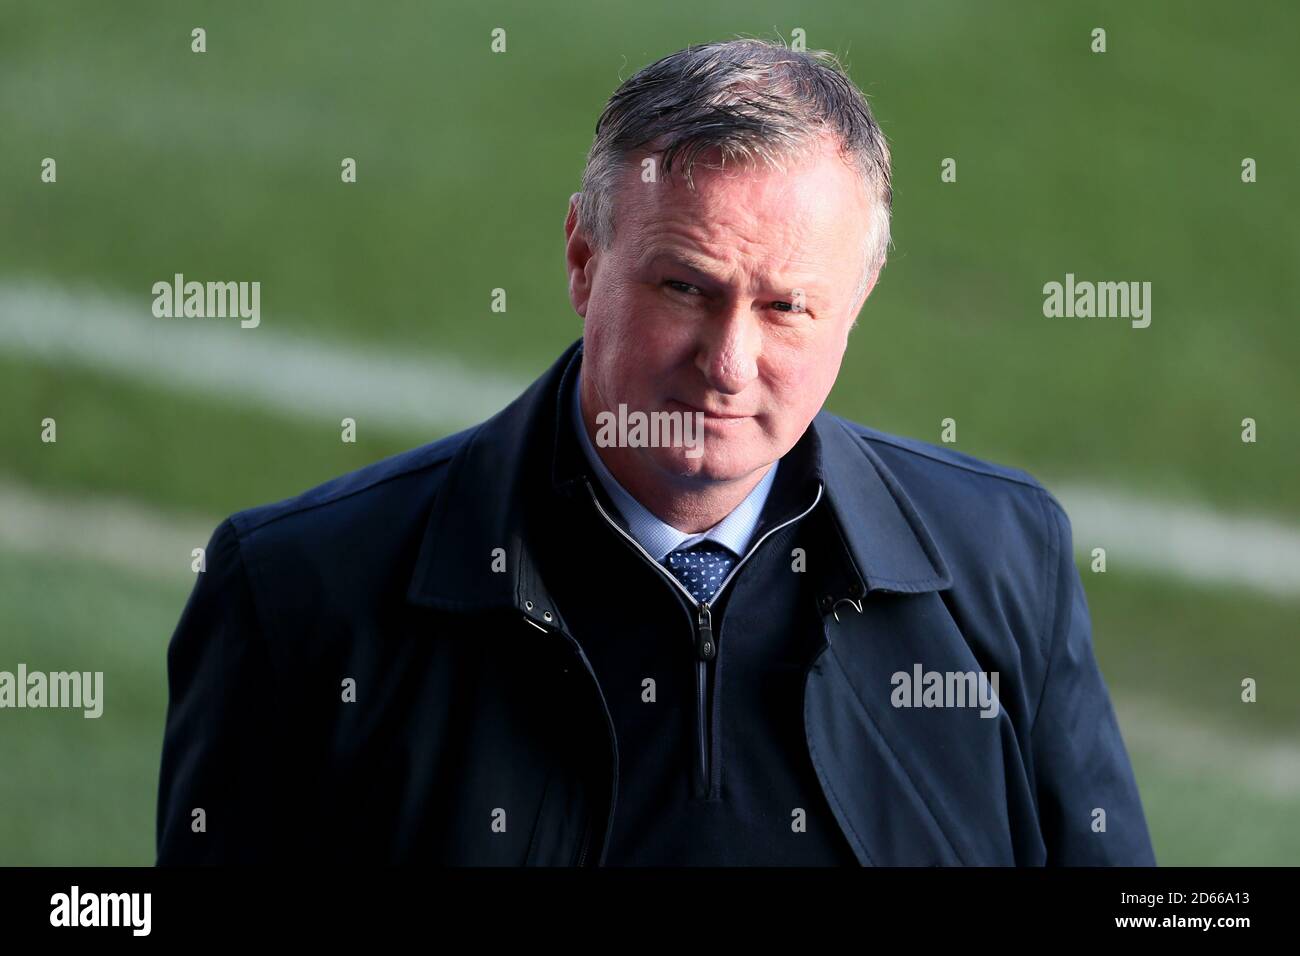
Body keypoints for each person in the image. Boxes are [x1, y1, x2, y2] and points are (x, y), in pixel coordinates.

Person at [156, 37, 1155, 866]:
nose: (728, 361)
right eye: (685, 287)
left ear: (854, 306)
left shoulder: (1003, 558)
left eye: (786, 307)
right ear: (584, 262)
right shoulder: (298, 596)